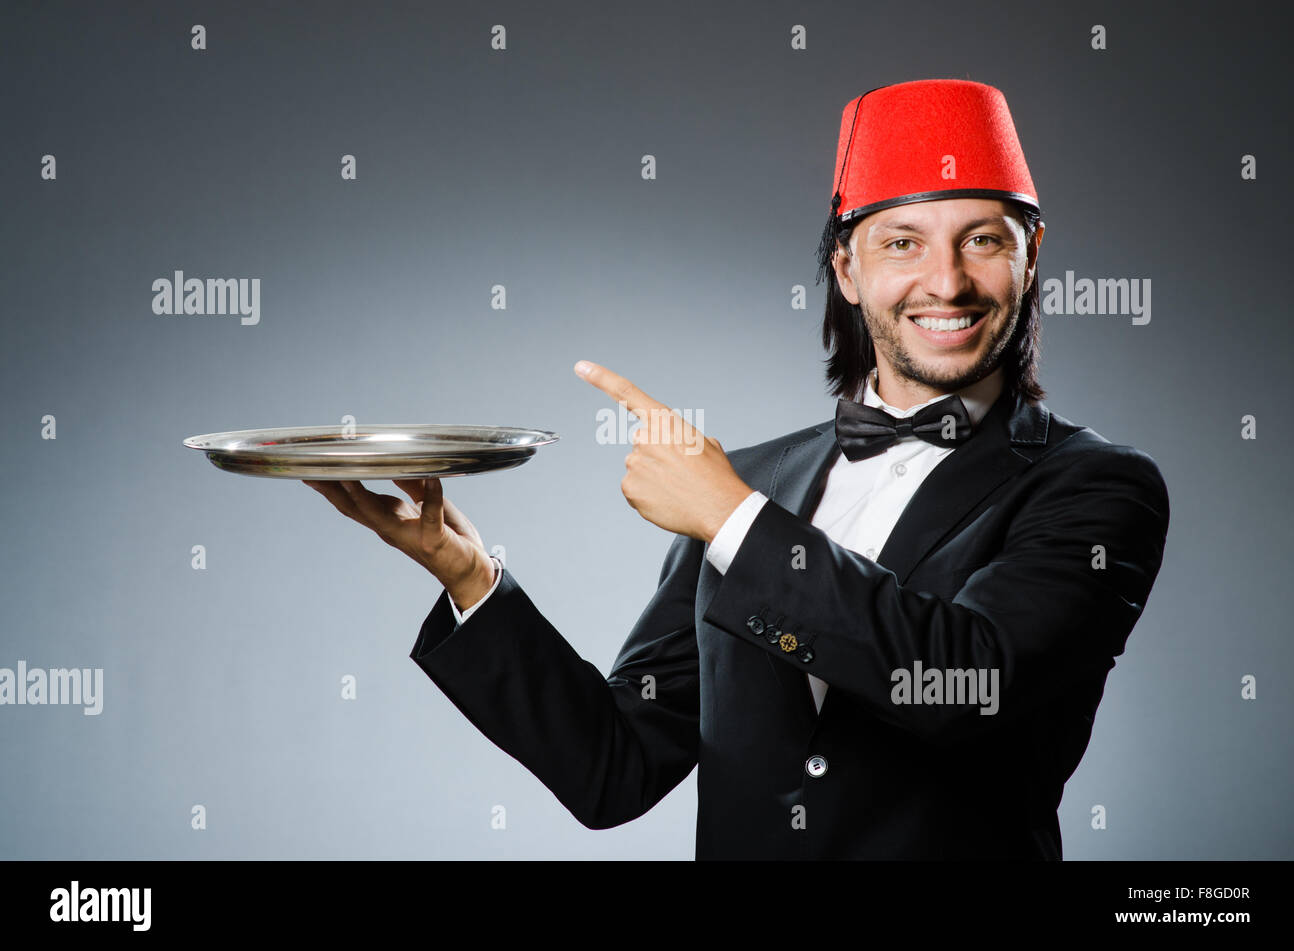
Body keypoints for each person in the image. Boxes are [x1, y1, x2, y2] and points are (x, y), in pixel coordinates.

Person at [305, 78, 1170, 860]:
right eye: (903, 242)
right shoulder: (752, 479)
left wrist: (730, 519)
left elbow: (967, 682)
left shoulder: (1097, 487)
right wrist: (470, 576)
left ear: (1031, 254)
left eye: (982, 239)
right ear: (846, 268)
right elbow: (616, 764)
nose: (945, 281)